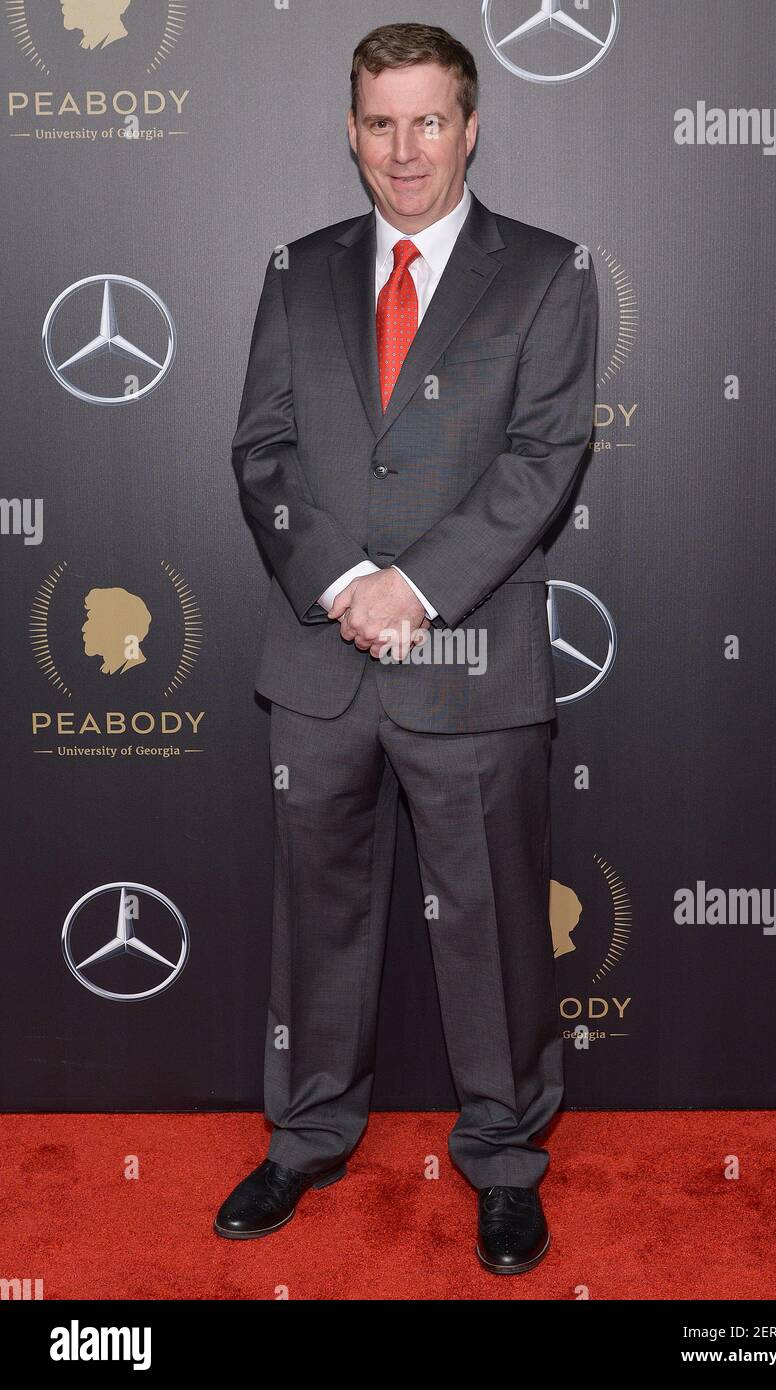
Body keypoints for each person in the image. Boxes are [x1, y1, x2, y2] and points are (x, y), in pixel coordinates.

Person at [216, 21, 598, 1275]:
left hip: (472, 663)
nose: (404, 149)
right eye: (379, 123)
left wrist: (415, 591)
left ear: (470, 124)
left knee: (490, 929)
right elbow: (262, 450)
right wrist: (339, 582)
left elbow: (542, 462)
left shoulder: (545, 272)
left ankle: (501, 1159)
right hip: (321, 663)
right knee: (315, 923)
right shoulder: (298, 270)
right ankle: (308, 1134)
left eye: (427, 120)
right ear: (350, 131)